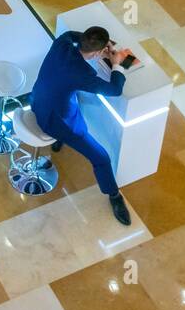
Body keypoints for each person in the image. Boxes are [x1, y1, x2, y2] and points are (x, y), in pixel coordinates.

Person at [30, 25, 135, 226]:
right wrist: (117, 65)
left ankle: (59, 141)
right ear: (97, 53)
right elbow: (115, 89)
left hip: (37, 100)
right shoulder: (82, 73)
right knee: (101, 157)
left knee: (73, 95)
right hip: (55, 121)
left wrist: (93, 43)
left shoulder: (61, 44)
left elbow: (69, 35)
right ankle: (114, 195)